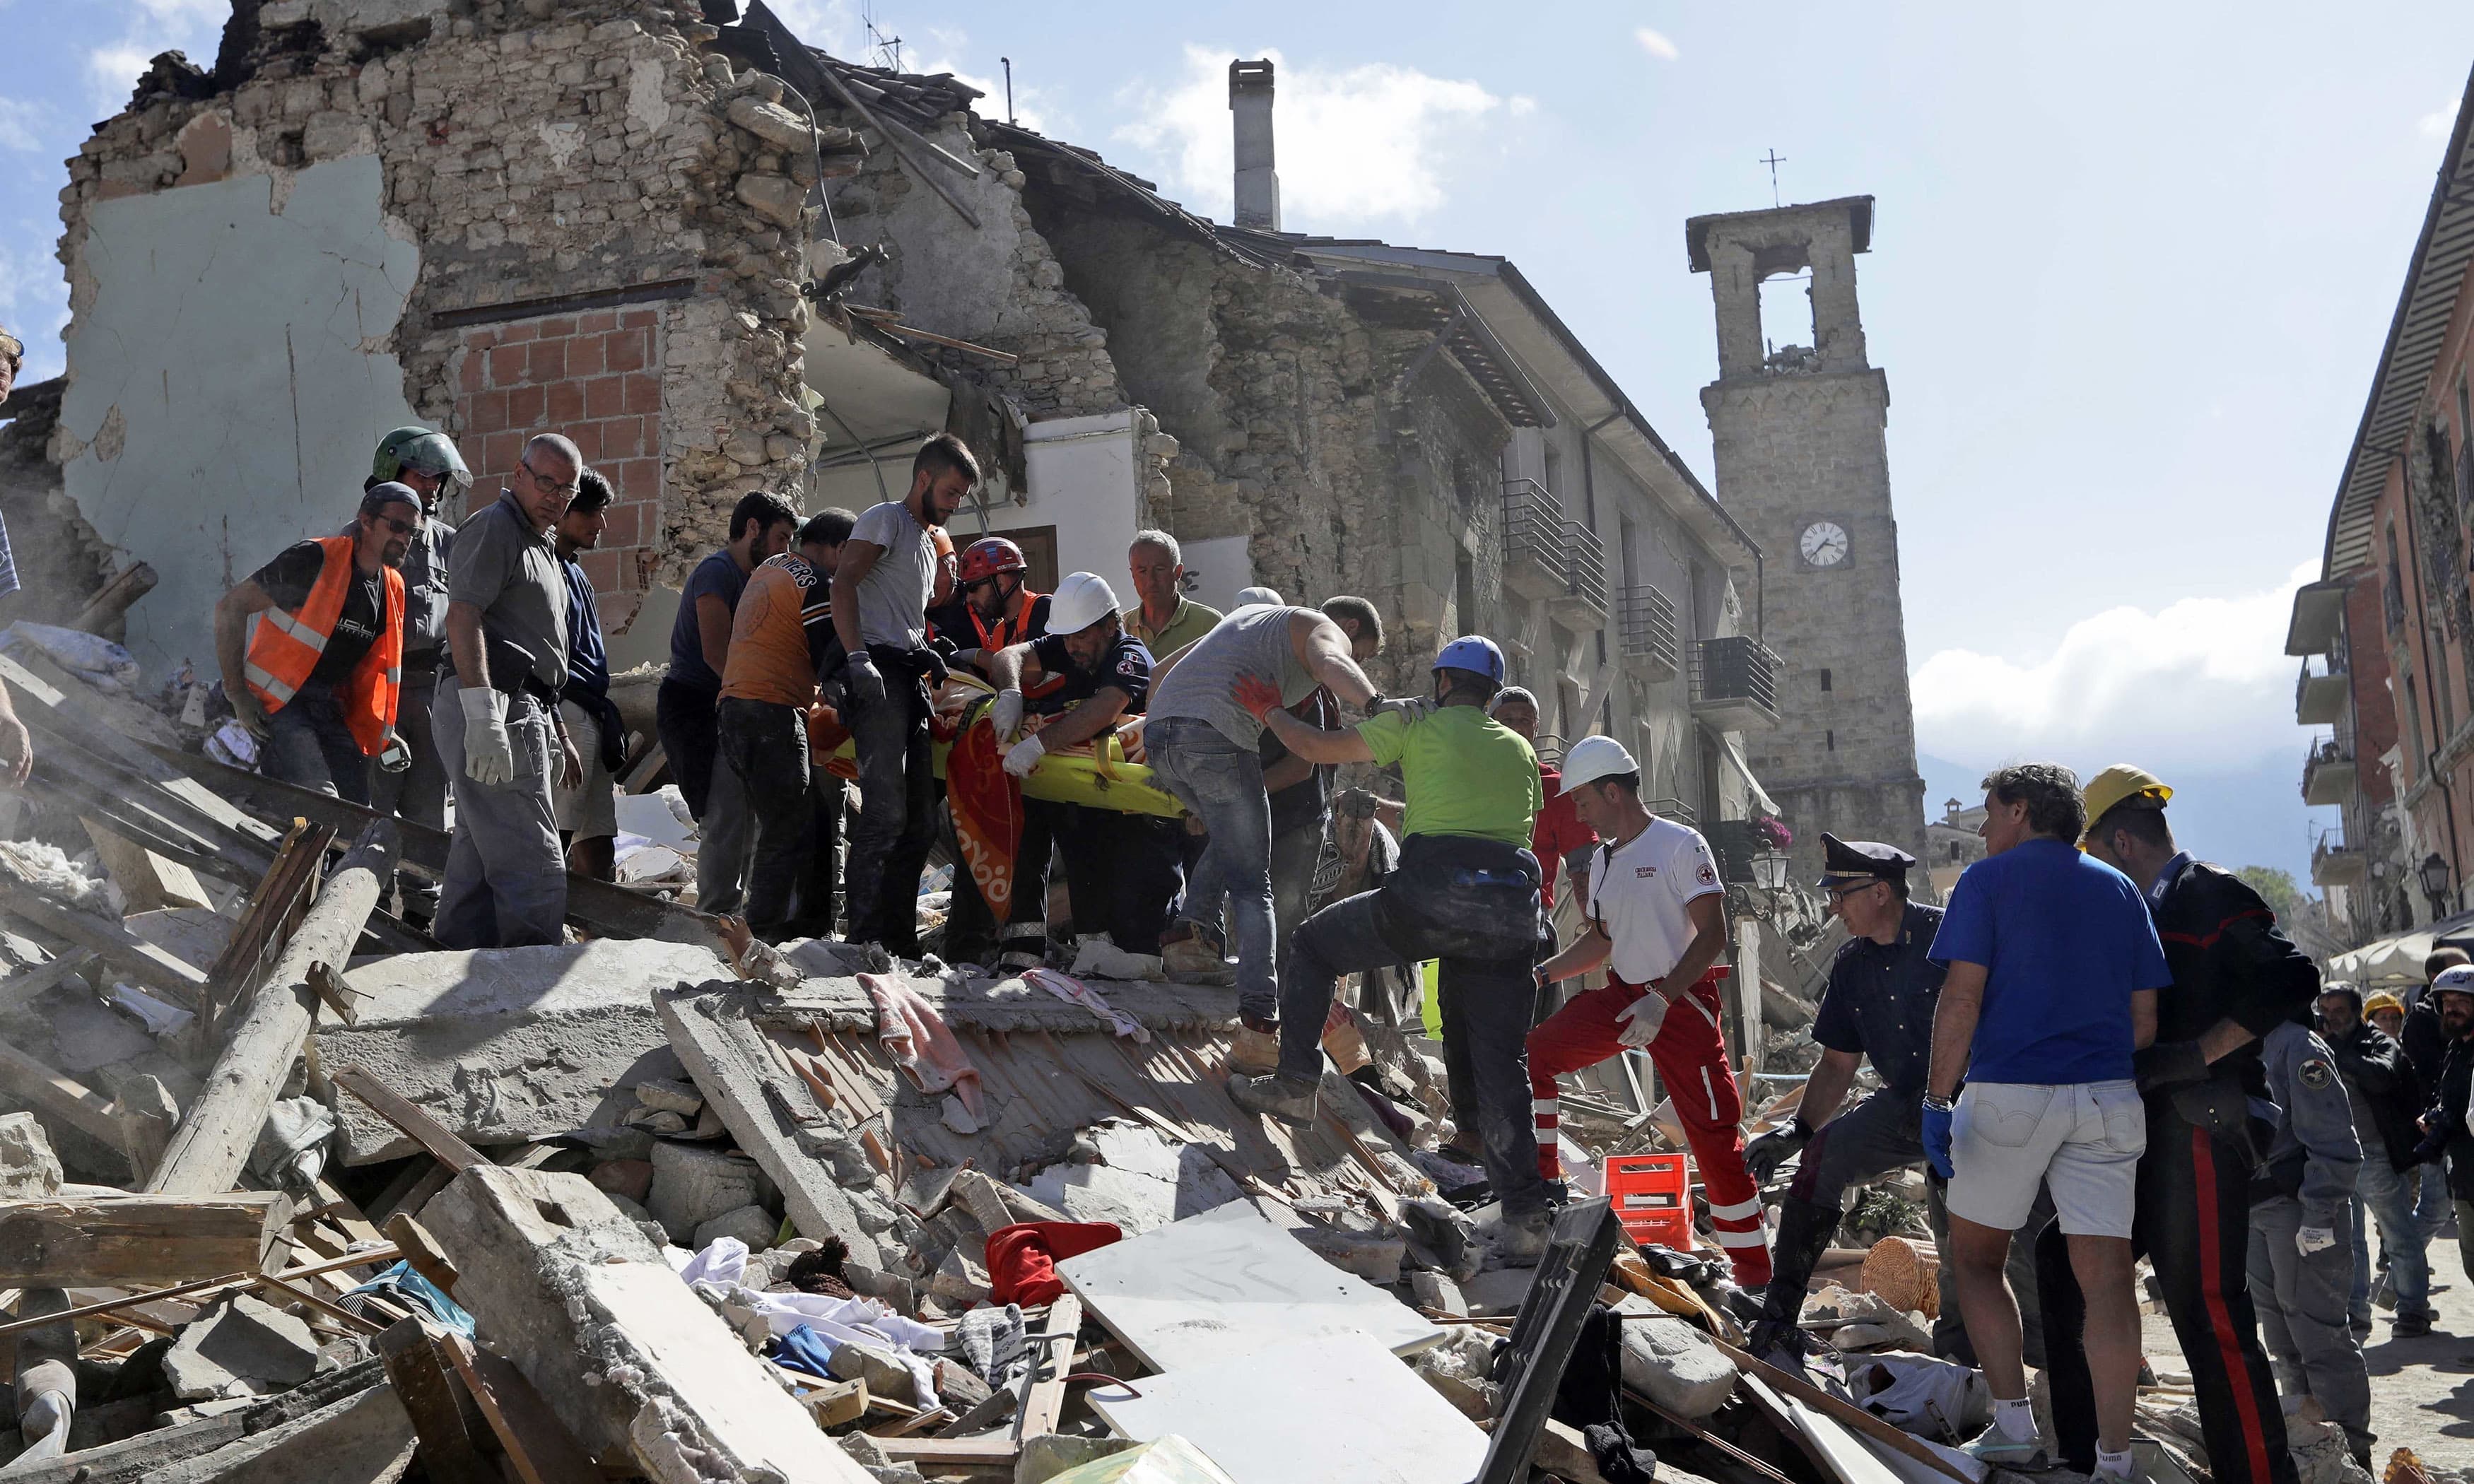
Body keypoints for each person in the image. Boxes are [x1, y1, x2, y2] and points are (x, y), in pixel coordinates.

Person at [1224, 636, 1552, 1259]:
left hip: (1430, 898)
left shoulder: (1416, 723)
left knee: (1314, 946)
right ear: (1490, 692)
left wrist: (1268, 709)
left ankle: (1296, 1083)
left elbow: (1318, 749)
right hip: (1511, 919)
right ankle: (1527, 1218)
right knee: (1503, 1064)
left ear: (1442, 683)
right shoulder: (1520, 751)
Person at [2055, 763, 2309, 1483]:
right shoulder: (2135, 909)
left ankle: (2260, 1477)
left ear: (2124, 842)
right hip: (2137, 1134)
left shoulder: (2208, 894)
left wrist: (2192, 1056)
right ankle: (2083, 1456)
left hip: (2196, 1125)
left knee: (2208, 1312)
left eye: (2096, 854)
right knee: (2058, 1266)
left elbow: (2292, 978)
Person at [1921, 763, 2164, 1476]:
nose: (1981, 827)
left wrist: (1936, 1102)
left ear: (2021, 811)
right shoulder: (2118, 887)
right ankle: (2114, 1462)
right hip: (2106, 1098)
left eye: (1989, 813)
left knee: (1974, 1259)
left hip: (2007, 1094)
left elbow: (1960, 1001)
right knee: (2107, 1284)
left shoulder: (1984, 883)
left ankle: (2010, 1425)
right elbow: (2143, 1020)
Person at [1527, 736, 1770, 1286]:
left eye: (1584, 802)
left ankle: (1755, 1276)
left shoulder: (1682, 846)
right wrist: (1544, 973)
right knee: (1538, 1054)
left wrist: (1662, 1000)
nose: (1580, 814)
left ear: (1613, 792)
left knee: (1713, 1135)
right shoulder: (1606, 862)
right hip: (1624, 995)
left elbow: (1714, 935)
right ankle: (1544, 1188)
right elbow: (1602, 941)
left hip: (1682, 1003)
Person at [1742, 834, 1969, 1365]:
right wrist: (1796, 1132)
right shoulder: (1849, 966)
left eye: (1842, 895)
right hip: (1901, 1106)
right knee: (1825, 1156)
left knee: (1961, 1238)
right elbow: (1838, 1064)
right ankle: (1778, 1319)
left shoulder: (1953, 938)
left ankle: (1966, 1363)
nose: (1832, 907)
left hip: (1972, 1104)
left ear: (1882, 893)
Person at [1142, 596, 1390, 1054]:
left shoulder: (1237, 627)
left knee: (1231, 841)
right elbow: (1311, 740)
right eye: (1365, 654)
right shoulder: (1315, 638)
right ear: (1349, 626)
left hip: (1163, 740)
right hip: (1248, 772)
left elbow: (1157, 676)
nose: (1359, 662)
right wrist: (1379, 706)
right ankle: (1261, 1019)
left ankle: (1190, 934)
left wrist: (1156, 735)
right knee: (1257, 891)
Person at [985, 572, 1178, 961]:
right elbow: (1010, 655)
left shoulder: (1130, 656)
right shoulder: (1074, 644)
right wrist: (1010, 692)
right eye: (1067, 638)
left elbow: (1105, 708)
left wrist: (1040, 744)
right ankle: (1030, 950)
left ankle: (1117, 957)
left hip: (1138, 806)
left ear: (1110, 626)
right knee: (1046, 842)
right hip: (1088, 793)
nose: (1071, 648)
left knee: (1130, 896)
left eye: (1081, 637)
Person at [433, 434, 578, 950]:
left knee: (479, 854)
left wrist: (555, 727)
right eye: (545, 482)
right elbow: (463, 614)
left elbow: (540, 647)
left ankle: (451, 965)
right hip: (494, 699)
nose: (556, 496)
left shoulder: (541, 544)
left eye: (566, 488)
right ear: (519, 475)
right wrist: (483, 713)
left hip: (521, 702)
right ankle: (531, 1002)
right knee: (532, 862)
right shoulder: (497, 526)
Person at [836, 435, 973, 953]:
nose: (956, 503)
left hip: (907, 677)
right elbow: (844, 585)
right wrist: (856, 657)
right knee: (885, 813)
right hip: (878, 675)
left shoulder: (923, 538)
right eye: (952, 491)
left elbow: (902, 616)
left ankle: (895, 940)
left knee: (919, 821)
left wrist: (926, 649)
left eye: (961, 496)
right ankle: (862, 938)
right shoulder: (885, 520)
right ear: (923, 479)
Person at [214, 485, 417, 806]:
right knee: (322, 804)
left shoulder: (392, 588)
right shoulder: (314, 559)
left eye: (412, 533)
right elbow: (230, 608)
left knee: (357, 811)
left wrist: (382, 732)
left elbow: (367, 674)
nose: (405, 538)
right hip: (278, 705)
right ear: (366, 520)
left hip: (328, 708)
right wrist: (237, 692)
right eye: (397, 526)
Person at [700, 511, 851, 937]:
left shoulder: (770, 568)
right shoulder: (815, 581)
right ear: (840, 549)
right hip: (771, 709)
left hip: (734, 707)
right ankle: (763, 932)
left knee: (797, 819)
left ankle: (804, 925)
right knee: (787, 825)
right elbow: (827, 653)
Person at [2246, 1014, 2371, 1466]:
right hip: (2255, 1208)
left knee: (2320, 1340)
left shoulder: (2297, 1047)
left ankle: (2352, 1457)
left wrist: (2319, 1212)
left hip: (2297, 1208)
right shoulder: (2239, 1042)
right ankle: (2311, 1449)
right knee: (2281, 1339)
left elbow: (2336, 1141)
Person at [367, 426, 468, 924]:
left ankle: (420, 916)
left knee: (430, 809)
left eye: (437, 478)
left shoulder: (449, 543)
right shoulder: (366, 536)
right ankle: (368, 912)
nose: (431, 486)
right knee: (375, 803)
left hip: (431, 689)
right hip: (377, 688)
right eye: (421, 474)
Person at [658, 492, 799, 820]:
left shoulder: (755, 581)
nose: (785, 551)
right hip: (695, 707)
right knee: (721, 821)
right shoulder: (717, 572)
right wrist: (763, 697)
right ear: (753, 527)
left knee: (750, 820)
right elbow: (716, 654)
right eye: (781, 538)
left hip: (730, 702)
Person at [2318, 984, 2434, 1338]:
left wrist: (2335, 1050)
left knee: (2398, 1233)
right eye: (2326, 1010)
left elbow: (2382, 1076)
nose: (2332, 1017)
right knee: (2349, 1239)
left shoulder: (2379, 1042)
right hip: (2333, 1153)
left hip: (2374, 1153)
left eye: (2339, 1010)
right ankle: (2356, 1312)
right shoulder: (2317, 1041)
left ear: (2356, 1012)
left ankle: (2413, 1310)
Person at [551, 471, 620, 881]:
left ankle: (597, 939)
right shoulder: (542, 568)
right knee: (557, 829)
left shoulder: (576, 573)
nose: (601, 524)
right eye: (592, 512)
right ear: (564, 512)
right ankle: (539, 925)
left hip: (590, 709)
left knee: (596, 837)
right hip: (566, 708)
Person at [2412, 965, 2474, 1292]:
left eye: (2462, 1000)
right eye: (2446, 1001)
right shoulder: (2456, 1048)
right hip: (2464, 1172)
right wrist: (2437, 1117)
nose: (2452, 1008)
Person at [2405, 948, 2461, 1247]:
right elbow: (2430, 1078)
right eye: (2458, 970)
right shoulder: (2422, 1020)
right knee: (2436, 1208)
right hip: (2438, 1127)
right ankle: (2400, 1268)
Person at [930, 536, 1050, 670]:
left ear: (1001, 583)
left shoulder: (1045, 608)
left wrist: (974, 655)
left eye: (973, 587)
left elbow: (1032, 673)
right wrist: (956, 664)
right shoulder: (999, 633)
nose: (968, 598)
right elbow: (996, 684)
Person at [1125, 531, 1223, 660]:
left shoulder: (1209, 624)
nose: (1151, 580)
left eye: (1159, 570)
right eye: (1142, 571)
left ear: (1178, 572)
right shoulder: (1121, 628)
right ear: (1133, 575)